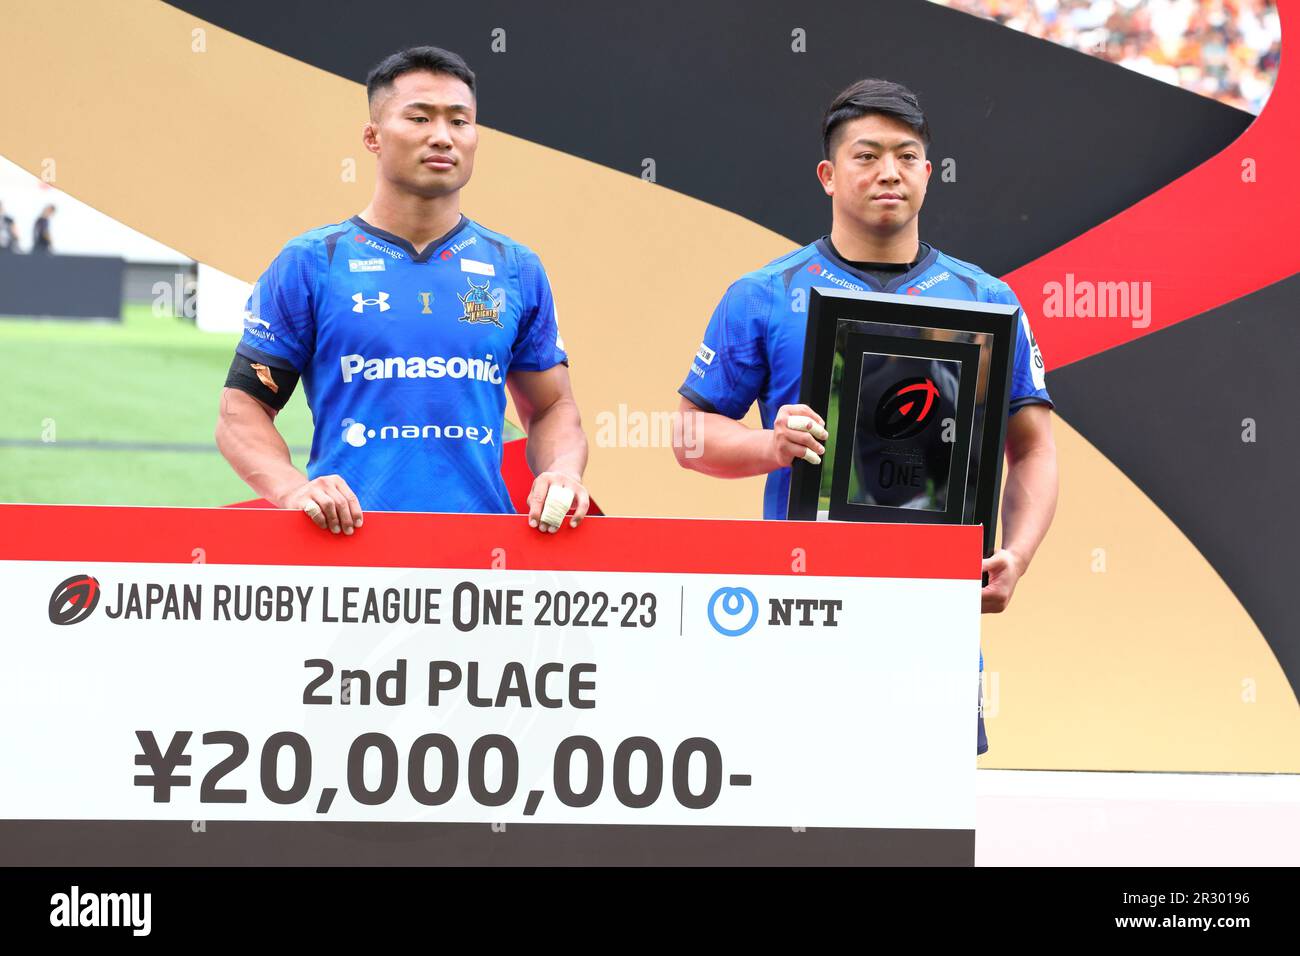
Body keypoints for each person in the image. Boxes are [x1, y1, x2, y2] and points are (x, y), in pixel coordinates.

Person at [673, 78, 1059, 755]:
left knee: (926, 836)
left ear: (929, 174)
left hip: (932, 623)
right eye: (867, 155)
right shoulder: (764, 294)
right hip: (798, 612)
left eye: (907, 156)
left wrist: (1018, 556)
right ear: (828, 174)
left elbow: (1031, 449)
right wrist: (772, 446)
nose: (889, 172)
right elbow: (688, 435)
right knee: (798, 823)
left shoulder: (987, 299)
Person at [216, 46, 590, 535]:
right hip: (346, 553)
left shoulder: (514, 267)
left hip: (481, 562)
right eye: (419, 118)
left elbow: (552, 408)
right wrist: (292, 489)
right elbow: (240, 412)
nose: (442, 136)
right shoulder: (312, 262)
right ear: (372, 136)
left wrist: (561, 470)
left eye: (460, 121)